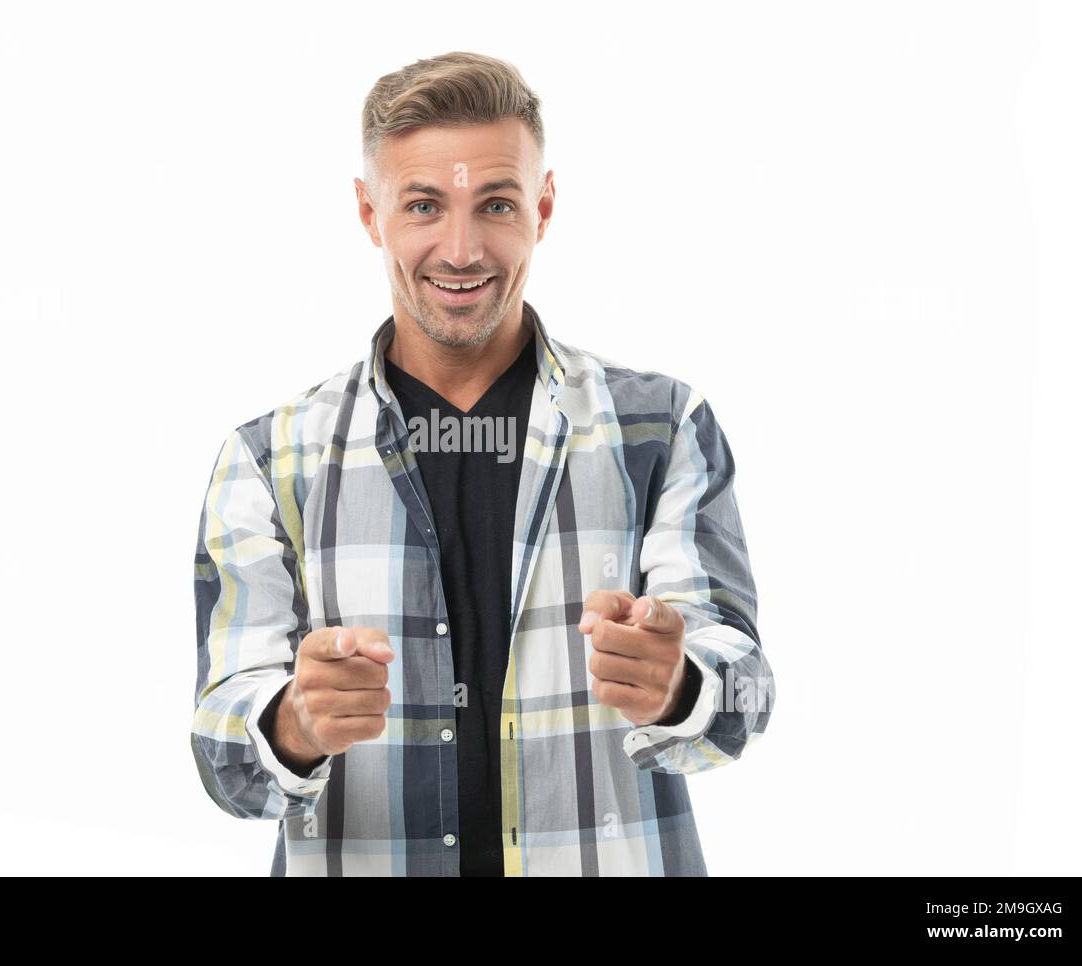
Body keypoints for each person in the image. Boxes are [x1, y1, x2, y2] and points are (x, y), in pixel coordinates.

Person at [190, 51, 774, 876]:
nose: (461, 250)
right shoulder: (270, 460)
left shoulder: (661, 429)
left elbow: (744, 694)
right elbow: (223, 751)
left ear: (543, 206)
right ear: (369, 212)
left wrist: (682, 684)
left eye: (495, 204)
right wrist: (293, 723)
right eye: (423, 205)